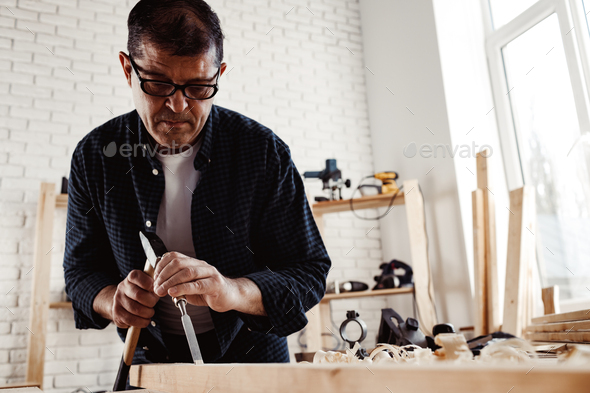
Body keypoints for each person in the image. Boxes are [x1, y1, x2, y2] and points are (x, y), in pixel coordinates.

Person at [63, 0, 330, 365]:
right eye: (158, 84)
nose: (178, 106)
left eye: (199, 87)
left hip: (254, 357)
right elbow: (79, 272)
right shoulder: (95, 156)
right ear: (128, 69)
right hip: (150, 357)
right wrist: (112, 300)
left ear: (218, 74)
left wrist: (233, 291)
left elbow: (308, 271)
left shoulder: (263, 151)